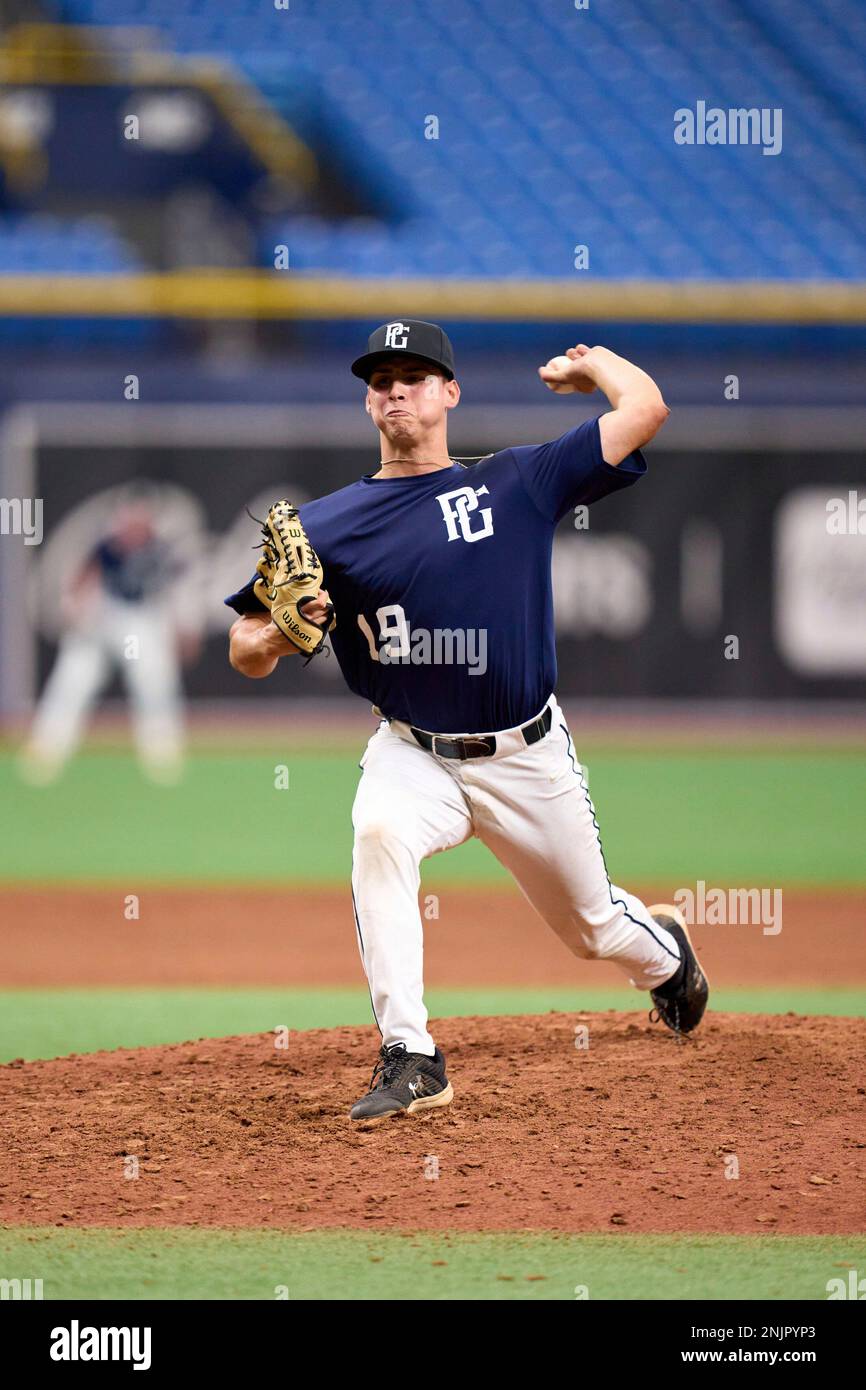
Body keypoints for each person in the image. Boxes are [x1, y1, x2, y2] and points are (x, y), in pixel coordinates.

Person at [226, 319, 709, 1121]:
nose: (394, 390)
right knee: (378, 834)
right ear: (368, 404)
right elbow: (242, 648)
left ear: (449, 393)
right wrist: (280, 631)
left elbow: (647, 409)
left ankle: (667, 958)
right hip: (411, 752)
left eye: (413, 375)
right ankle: (411, 1054)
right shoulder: (325, 526)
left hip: (526, 755)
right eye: (380, 380)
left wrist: (597, 365)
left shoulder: (516, 482)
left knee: (591, 928)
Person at [20, 498, 192, 785]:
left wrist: (180, 628)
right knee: (73, 678)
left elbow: (174, 592)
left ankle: (162, 751)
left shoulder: (159, 551)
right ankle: (47, 749)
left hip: (140, 618)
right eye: (129, 525)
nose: (133, 531)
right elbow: (83, 579)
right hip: (105, 615)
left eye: (139, 525)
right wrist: (74, 608)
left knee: (154, 679)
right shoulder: (107, 546)